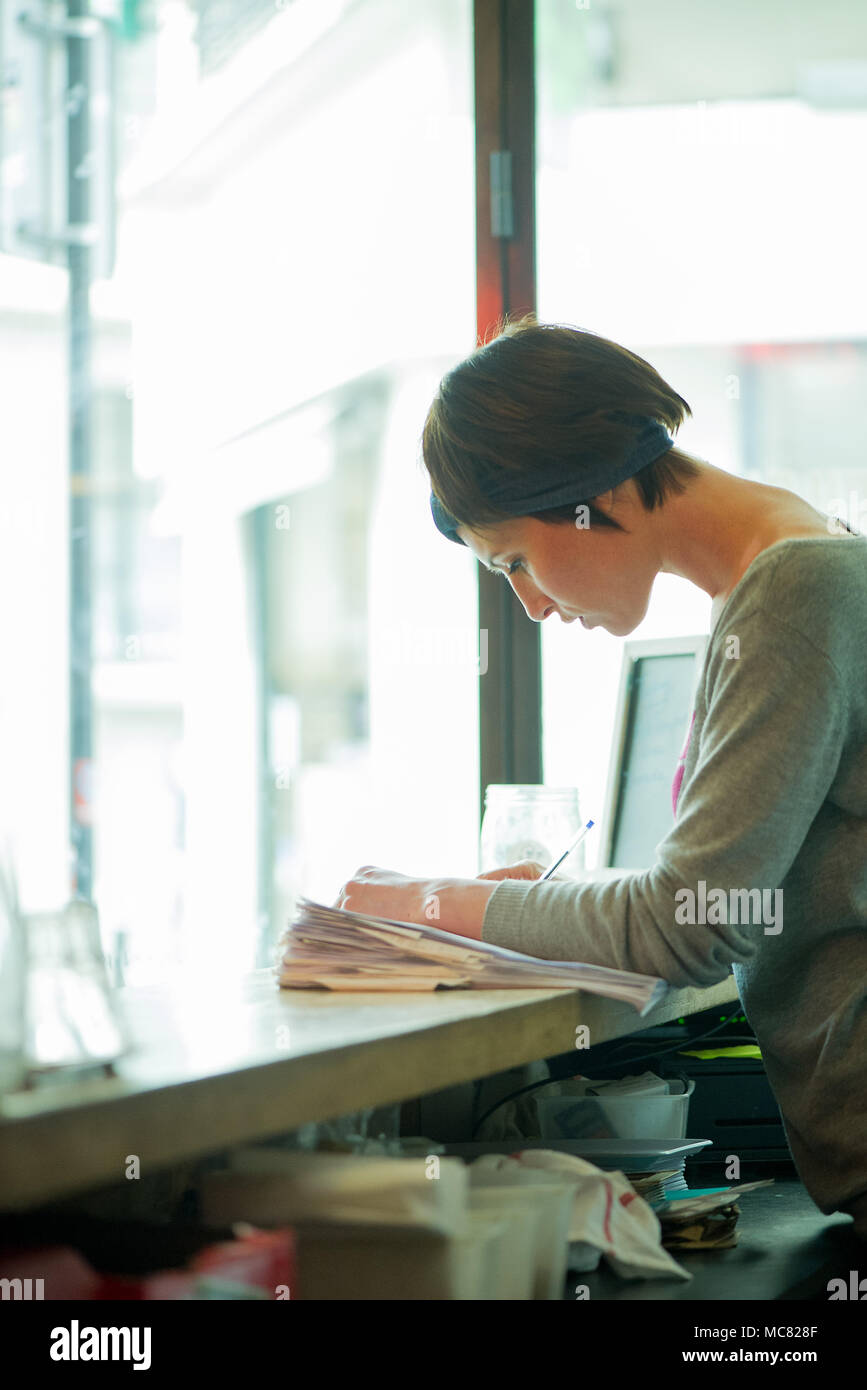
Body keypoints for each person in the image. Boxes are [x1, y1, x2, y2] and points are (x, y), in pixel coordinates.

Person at [335, 314, 867, 1238]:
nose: (531, 603)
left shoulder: (791, 594)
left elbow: (687, 924)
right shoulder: (798, 561)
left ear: (592, 490)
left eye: (514, 561)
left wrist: (427, 903)